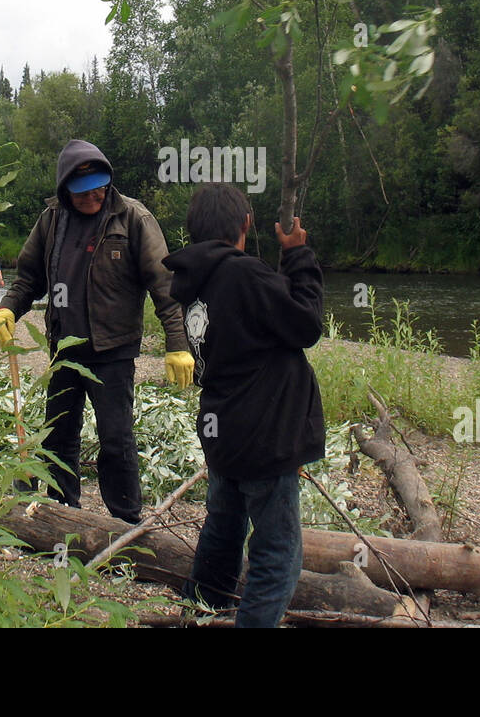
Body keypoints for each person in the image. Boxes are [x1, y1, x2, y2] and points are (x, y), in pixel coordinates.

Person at [0, 140, 194, 524]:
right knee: (58, 437)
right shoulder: (51, 221)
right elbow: (29, 279)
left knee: (116, 441)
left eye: (100, 187)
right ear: (65, 189)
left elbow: (165, 286)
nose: (94, 196)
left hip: (113, 351)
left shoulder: (133, 218)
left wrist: (177, 343)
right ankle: (60, 515)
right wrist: (7, 308)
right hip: (64, 349)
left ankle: (124, 522)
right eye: (84, 192)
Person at [162, 183, 325, 628]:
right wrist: (297, 255)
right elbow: (307, 322)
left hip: (222, 431)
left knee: (223, 533)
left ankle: (195, 618)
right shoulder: (244, 275)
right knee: (277, 555)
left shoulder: (194, 282)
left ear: (194, 231)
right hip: (263, 439)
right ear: (246, 224)